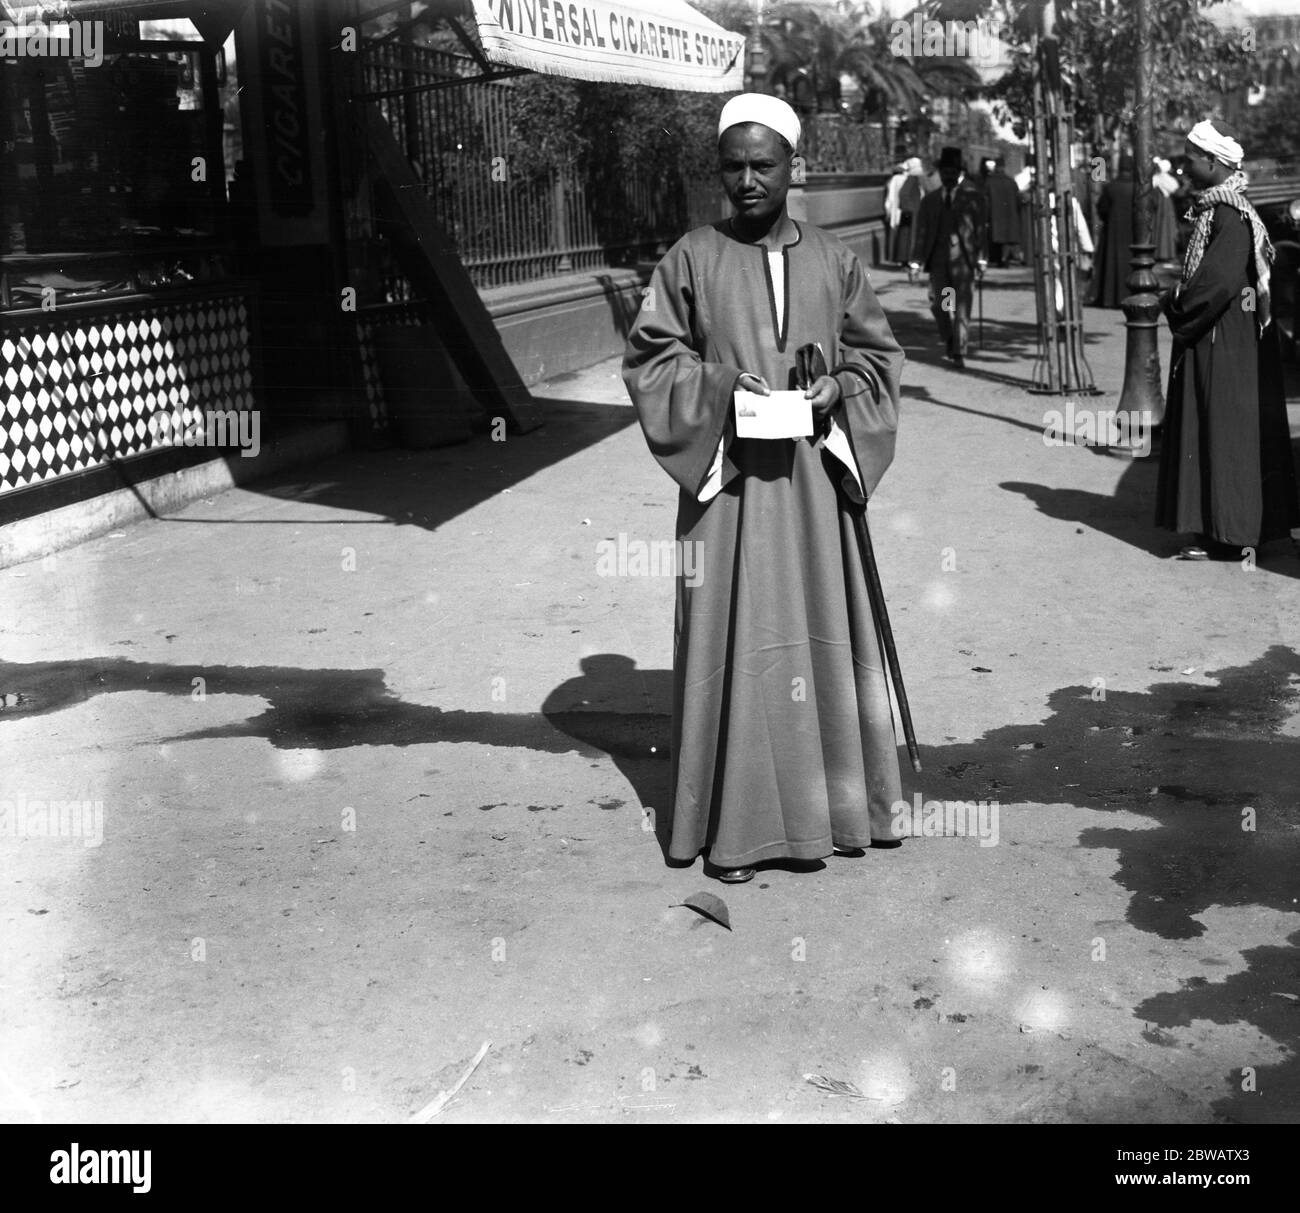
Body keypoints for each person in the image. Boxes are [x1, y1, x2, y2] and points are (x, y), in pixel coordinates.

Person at [622, 93, 907, 884]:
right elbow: (650, 361)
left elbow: (879, 356)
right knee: (737, 645)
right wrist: (720, 390)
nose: (747, 180)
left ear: (793, 168)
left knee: (820, 634)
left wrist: (837, 389)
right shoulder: (689, 256)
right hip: (734, 493)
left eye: (763, 165)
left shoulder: (834, 258)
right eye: (733, 167)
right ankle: (736, 831)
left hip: (814, 489)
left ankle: (842, 815)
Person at [1155, 119, 1300, 560]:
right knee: (1216, 431)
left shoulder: (1230, 217)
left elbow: (1215, 284)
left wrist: (1175, 301)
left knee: (1225, 432)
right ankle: (1215, 528)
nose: (1184, 167)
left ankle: (1231, 531)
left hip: (1227, 342)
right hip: (1222, 338)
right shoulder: (1216, 211)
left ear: (1215, 165)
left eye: (1191, 160)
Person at [909, 146, 988, 368]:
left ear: (959, 172)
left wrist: (982, 258)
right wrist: (916, 262)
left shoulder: (973, 197)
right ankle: (950, 337)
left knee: (962, 305)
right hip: (939, 262)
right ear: (940, 173)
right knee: (941, 305)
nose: (949, 176)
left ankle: (959, 351)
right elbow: (921, 234)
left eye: (953, 172)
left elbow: (981, 229)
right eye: (945, 172)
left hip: (964, 261)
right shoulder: (930, 201)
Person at [1090, 153, 1136, 307]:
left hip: (1113, 232)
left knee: (1111, 264)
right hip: (1133, 233)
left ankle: (1110, 298)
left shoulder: (1111, 187)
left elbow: (1102, 209)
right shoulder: (1137, 188)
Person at [983, 156, 1022, 267]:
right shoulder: (1011, 182)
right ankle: (1005, 258)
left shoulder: (990, 181)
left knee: (997, 237)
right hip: (1009, 215)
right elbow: (1018, 200)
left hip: (995, 216)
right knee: (1007, 238)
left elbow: (985, 200)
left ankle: (998, 259)